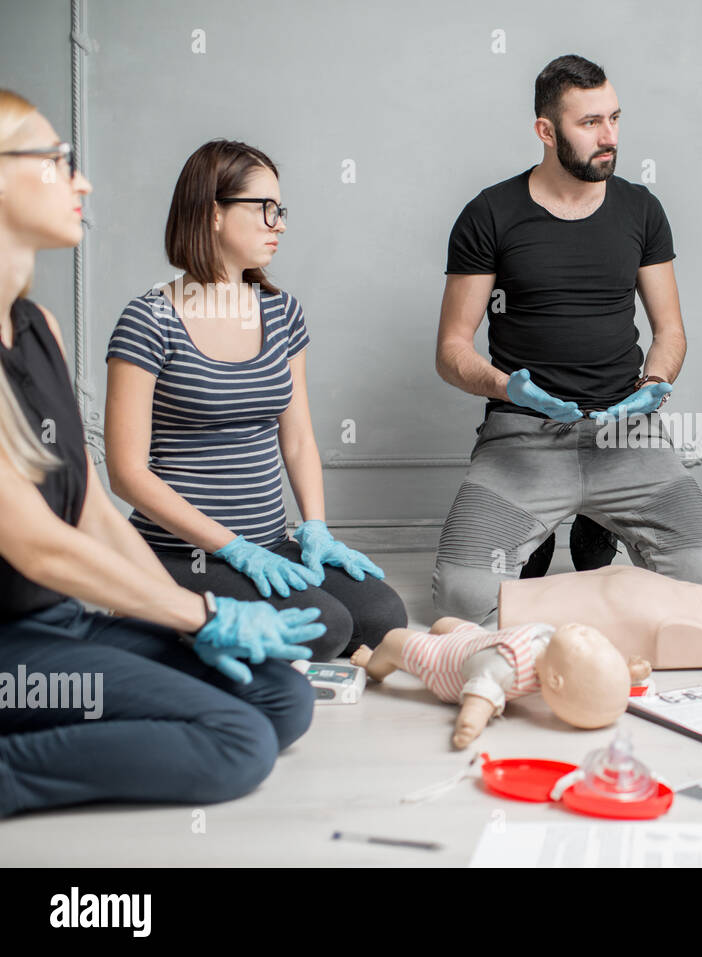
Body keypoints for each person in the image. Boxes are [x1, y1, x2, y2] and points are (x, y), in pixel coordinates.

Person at [0, 90, 321, 818]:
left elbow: (86, 509)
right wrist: (203, 610)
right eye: (56, 162)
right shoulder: (151, 319)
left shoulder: (36, 326)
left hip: (62, 624)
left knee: (284, 696)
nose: (81, 182)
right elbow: (39, 546)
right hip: (11, 648)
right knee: (239, 742)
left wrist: (187, 618)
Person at [432, 54, 702, 624]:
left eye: (614, 118)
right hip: (524, 438)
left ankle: (589, 527)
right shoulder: (489, 214)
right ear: (546, 131)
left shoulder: (641, 209)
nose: (609, 136)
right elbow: (451, 349)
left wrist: (657, 382)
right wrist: (507, 387)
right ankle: (556, 531)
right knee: (462, 603)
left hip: (626, 433)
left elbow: (670, 331)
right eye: (590, 123)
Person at [104, 139, 406, 660]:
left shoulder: (283, 311)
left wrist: (314, 528)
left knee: (382, 616)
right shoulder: (149, 320)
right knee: (328, 628)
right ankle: (150, 610)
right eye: (264, 208)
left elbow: (298, 436)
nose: (280, 224)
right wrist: (231, 548)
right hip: (180, 550)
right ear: (212, 213)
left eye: (280, 209)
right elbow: (126, 474)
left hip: (268, 544)